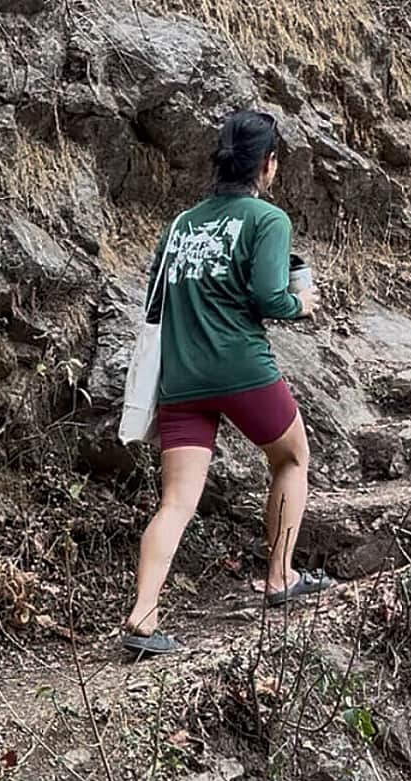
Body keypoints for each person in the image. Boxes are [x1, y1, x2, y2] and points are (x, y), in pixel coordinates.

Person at [120, 110, 335, 657]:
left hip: (182, 375)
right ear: (267, 163)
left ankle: (142, 617)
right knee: (292, 457)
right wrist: (301, 304)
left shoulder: (181, 224)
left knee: (176, 501)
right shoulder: (267, 220)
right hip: (241, 368)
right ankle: (281, 575)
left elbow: (157, 300)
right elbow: (268, 296)